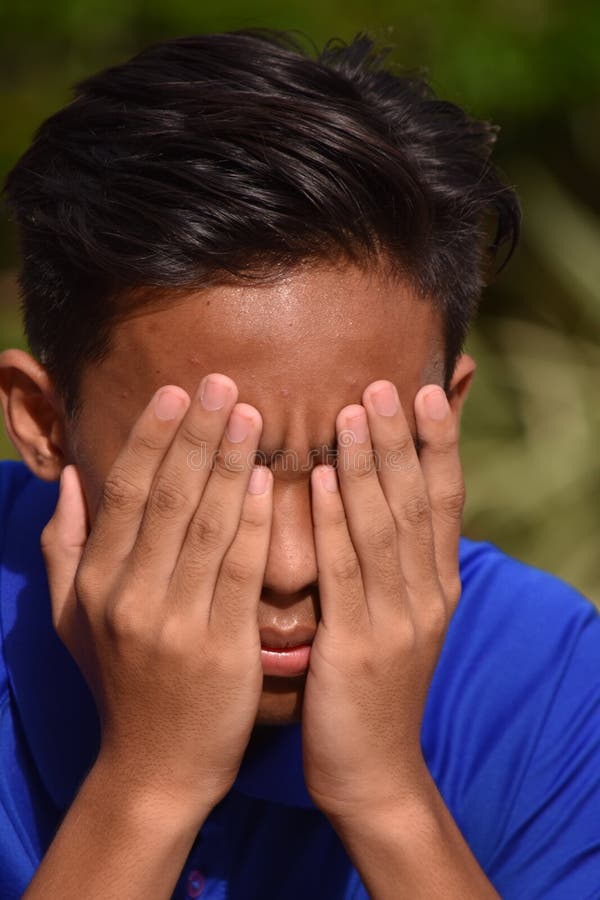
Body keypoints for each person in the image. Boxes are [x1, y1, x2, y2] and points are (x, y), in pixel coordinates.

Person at [0, 29, 598, 900]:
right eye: (207, 475)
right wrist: (147, 788)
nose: (288, 566)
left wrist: (390, 801)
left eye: (352, 466)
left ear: (445, 423)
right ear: (45, 422)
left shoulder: (544, 686)